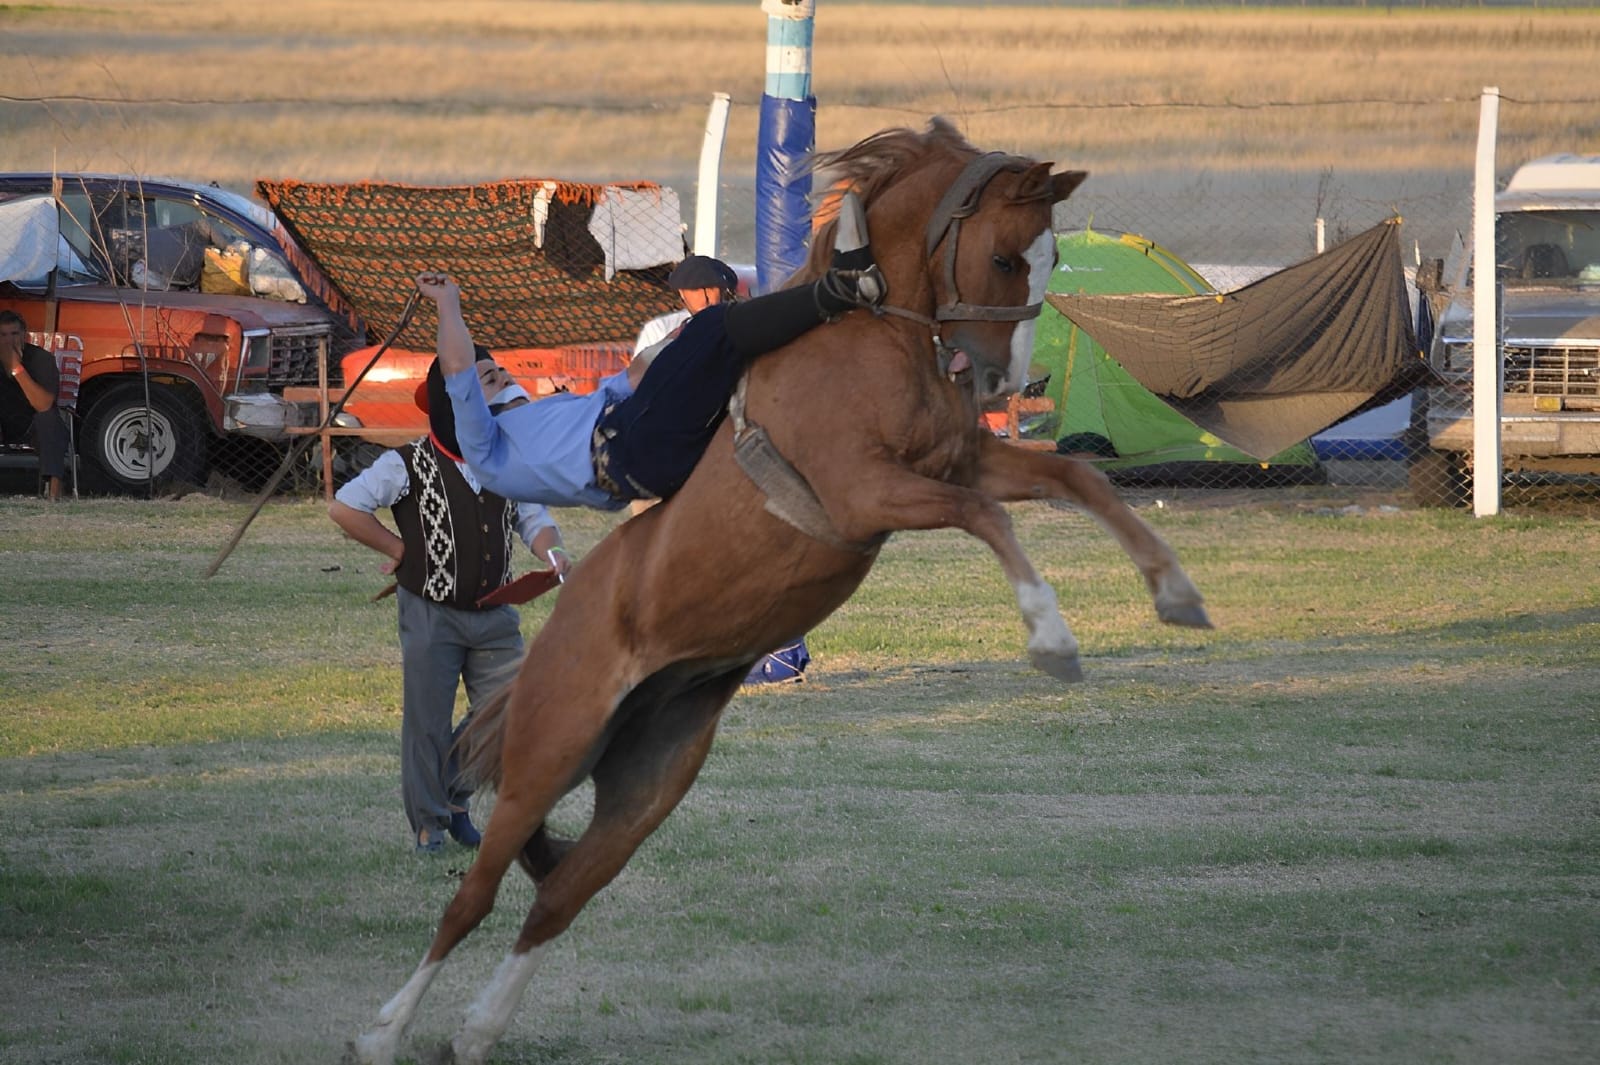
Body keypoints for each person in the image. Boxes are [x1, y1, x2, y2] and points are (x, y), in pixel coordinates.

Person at [416, 204, 884, 510]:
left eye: (498, 369)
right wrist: (448, 304)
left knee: (741, 372)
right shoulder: (484, 450)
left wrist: (678, 340)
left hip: (642, 447)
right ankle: (843, 288)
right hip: (630, 450)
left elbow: (634, 378)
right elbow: (457, 370)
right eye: (490, 379)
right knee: (715, 325)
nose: (502, 374)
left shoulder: (545, 418)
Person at [329, 351, 572, 854]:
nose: (503, 384)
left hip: (495, 613)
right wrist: (398, 549)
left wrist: (553, 552)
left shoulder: (507, 462)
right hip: (430, 612)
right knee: (428, 720)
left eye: (501, 375)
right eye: (488, 379)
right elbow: (346, 507)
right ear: (453, 397)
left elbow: (533, 520)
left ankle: (454, 791)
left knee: (513, 710)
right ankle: (429, 825)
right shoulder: (406, 463)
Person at [0, 310, 67, 501]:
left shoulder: (41, 359)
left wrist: (16, 368)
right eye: (3, 335)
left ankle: (54, 489)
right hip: (3, 420)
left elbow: (44, 405)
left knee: (49, 419)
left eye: (14, 334)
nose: (8, 341)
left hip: (32, 423)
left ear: (24, 335)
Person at [631, 254, 739, 360]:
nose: (704, 297)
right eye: (696, 289)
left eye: (710, 288)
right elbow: (641, 369)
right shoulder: (660, 329)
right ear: (682, 293)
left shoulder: (736, 327)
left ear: (723, 292)